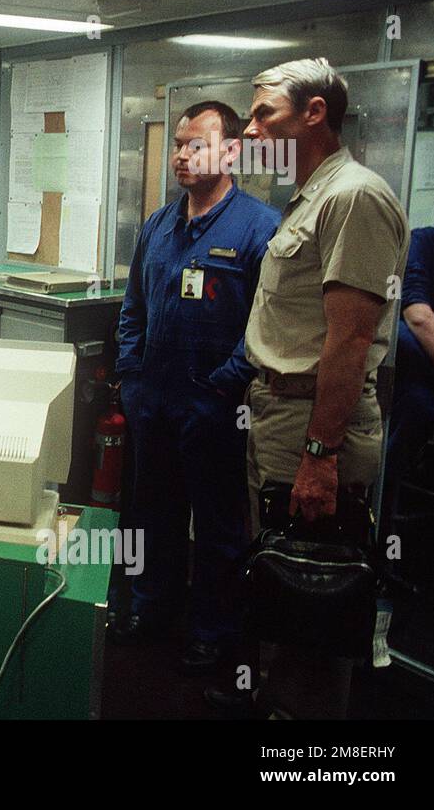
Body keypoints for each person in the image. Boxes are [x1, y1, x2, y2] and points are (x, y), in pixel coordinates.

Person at [207, 57, 408, 720]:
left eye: (265, 112)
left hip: (313, 425)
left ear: (314, 113)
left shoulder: (354, 196)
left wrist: (321, 456)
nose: (252, 126)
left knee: (315, 597)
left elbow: (350, 340)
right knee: (281, 587)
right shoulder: (310, 195)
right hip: (279, 415)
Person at [112, 102, 279, 674]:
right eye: (179, 144)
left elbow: (267, 325)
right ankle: (149, 608)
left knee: (216, 526)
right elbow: (133, 306)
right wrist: (130, 377)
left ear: (232, 150)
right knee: (151, 514)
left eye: (196, 145)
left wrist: (223, 389)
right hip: (152, 399)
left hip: (218, 407)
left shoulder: (260, 228)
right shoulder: (159, 224)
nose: (182, 155)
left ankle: (212, 631)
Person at [383, 219, 434, 574]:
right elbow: (417, 315)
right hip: (419, 384)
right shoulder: (424, 243)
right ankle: (383, 547)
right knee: (419, 408)